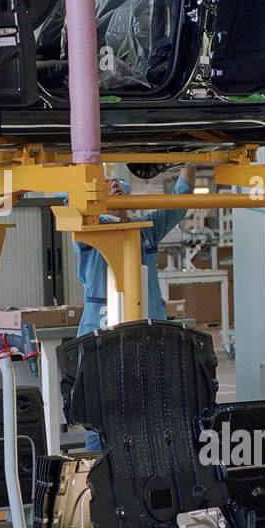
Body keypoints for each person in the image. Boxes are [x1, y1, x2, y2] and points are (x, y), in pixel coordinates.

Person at [76, 164, 197, 451]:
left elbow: (181, 202)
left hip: (148, 339)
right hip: (101, 339)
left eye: (117, 182)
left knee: (151, 413)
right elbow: (74, 207)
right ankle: (99, 479)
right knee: (101, 417)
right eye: (106, 184)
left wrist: (190, 161)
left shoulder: (146, 230)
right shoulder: (91, 230)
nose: (114, 185)